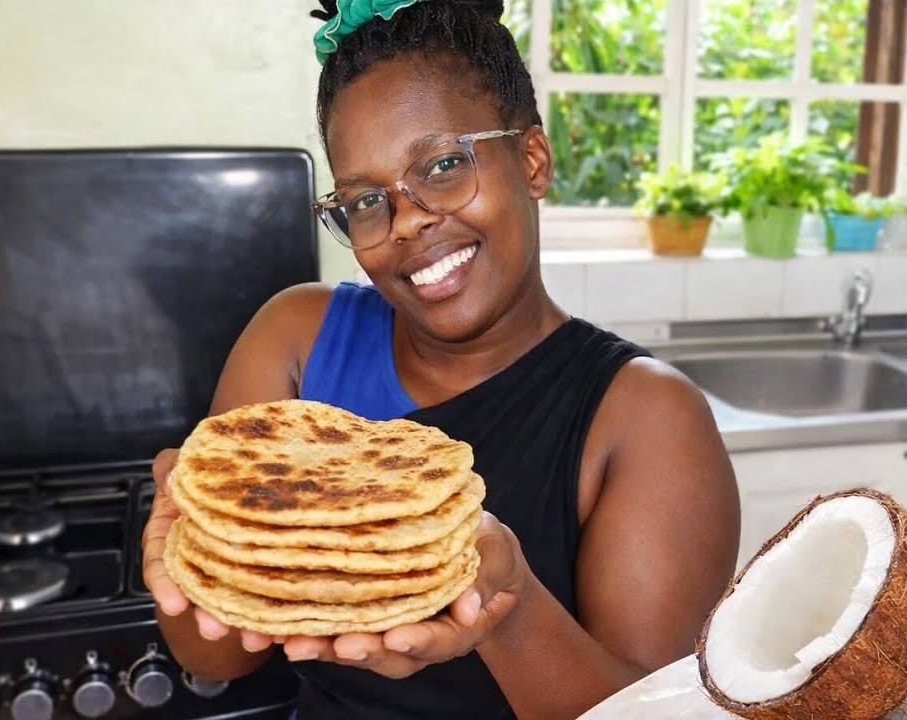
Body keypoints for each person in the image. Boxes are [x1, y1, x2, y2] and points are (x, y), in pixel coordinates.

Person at [140, 0, 741, 717]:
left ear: (532, 160)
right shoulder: (295, 338)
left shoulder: (648, 418)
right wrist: (191, 543)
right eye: (365, 202)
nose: (409, 222)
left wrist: (503, 604)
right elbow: (211, 652)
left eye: (444, 165)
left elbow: (652, 713)